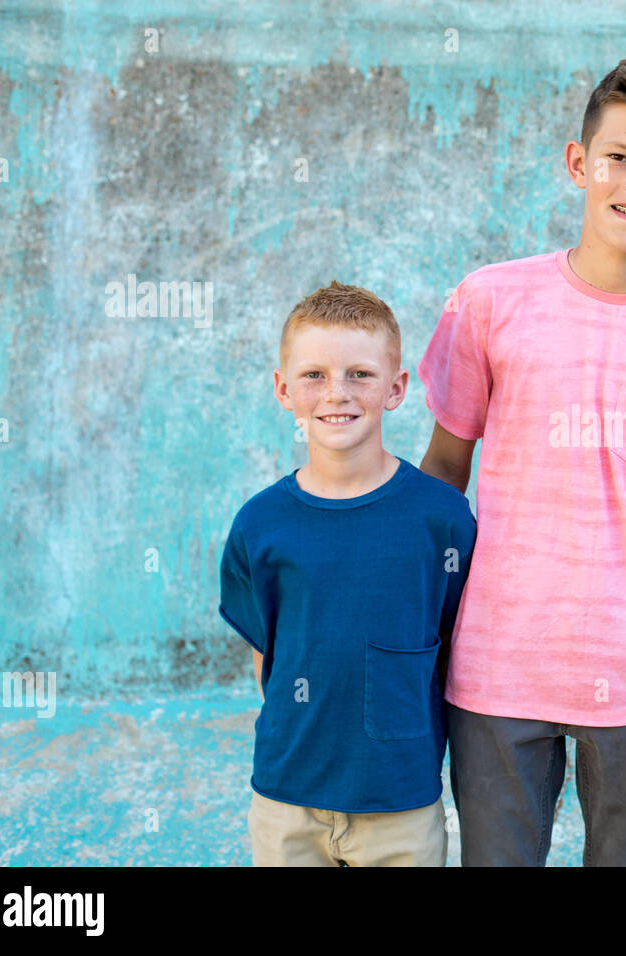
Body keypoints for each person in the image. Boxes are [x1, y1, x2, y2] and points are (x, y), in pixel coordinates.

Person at [416, 58, 626, 866]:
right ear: (579, 164)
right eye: (619, 158)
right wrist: (405, 643)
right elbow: (439, 479)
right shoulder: (491, 302)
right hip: (494, 670)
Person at [219, 281, 476, 866]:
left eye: (360, 373)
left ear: (397, 388)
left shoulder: (439, 518)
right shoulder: (260, 525)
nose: (337, 392)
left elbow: (452, 639)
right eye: (313, 375)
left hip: (401, 802)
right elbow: (270, 657)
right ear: (283, 389)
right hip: (288, 798)